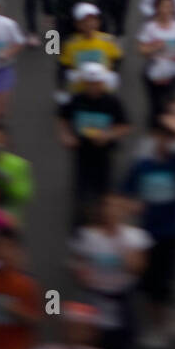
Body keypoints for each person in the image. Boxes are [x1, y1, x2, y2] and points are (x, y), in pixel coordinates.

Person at [123, 110, 175, 349]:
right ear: (154, 137)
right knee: (150, 285)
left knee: (168, 282)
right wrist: (133, 205)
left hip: (172, 232)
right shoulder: (142, 165)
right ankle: (158, 326)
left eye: (171, 137)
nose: (167, 141)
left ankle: (169, 320)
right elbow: (125, 193)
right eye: (163, 135)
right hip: (147, 234)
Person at [70, 192, 151, 349]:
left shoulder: (135, 237)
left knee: (121, 344)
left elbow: (137, 268)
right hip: (94, 296)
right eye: (108, 206)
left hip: (120, 297)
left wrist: (119, 241)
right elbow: (78, 264)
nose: (112, 211)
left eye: (117, 207)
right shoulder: (87, 236)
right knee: (90, 343)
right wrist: (82, 274)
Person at [58, 63, 130, 228]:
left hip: (104, 153)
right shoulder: (76, 100)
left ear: (103, 83)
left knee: (104, 190)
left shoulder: (112, 102)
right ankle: (80, 223)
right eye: (90, 83)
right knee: (81, 188)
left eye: (96, 83)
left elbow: (125, 126)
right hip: (82, 151)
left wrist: (108, 135)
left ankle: (104, 221)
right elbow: (63, 118)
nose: (93, 87)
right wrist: (66, 135)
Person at [138, 0, 175, 124]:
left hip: (174, 72)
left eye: (169, 7)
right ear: (157, 8)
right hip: (154, 71)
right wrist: (155, 48)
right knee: (155, 104)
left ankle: (171, 127)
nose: (166, 10)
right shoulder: (149, 27)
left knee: (171, 103)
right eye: (163, 6)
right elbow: (141, 50)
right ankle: (155, 125)